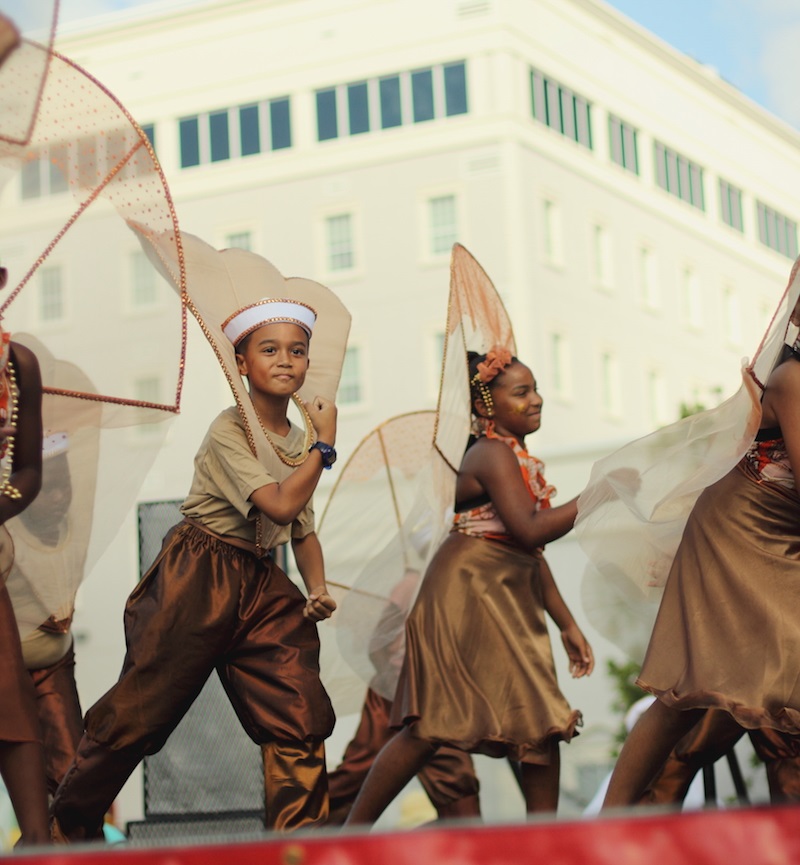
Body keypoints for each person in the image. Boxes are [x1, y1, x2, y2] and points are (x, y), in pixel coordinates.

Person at [51, 297, 342, 841]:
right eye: (270, 349)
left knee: (298, 706)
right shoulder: (230, 429)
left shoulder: (299, 444)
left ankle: (302, 845)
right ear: (241, 362)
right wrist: (324, 448)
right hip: (197, 571)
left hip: (260, 579)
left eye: (297, 352)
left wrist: (318, 587)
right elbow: (277, 504)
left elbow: (302, 526)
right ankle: (66, 830)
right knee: (140, 709)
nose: (285, 361)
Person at [345, 347, 594, 826]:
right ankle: (350, 834)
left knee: (538, 721)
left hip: (504, 592)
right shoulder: (492, 454)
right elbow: (530, 531)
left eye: (536, 389)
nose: (537, 399)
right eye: (521, 392)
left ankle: (544, 848)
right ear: (485, 406)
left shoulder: (515, 456)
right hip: (467, 593)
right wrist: (596, 493)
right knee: (433, 722)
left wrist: (566, 624)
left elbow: (529, 553)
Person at [602, 285, 800, 808]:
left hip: (784, 530)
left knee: (729, 688)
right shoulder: (793, 378)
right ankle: (606, 824)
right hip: (742, 529)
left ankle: (660, 793)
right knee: (687, 686)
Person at [0, 266, 49, 845]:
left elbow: (29, 470)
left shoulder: (18, 365)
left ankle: (37, 842)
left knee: (11, 705)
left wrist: (2, 504)